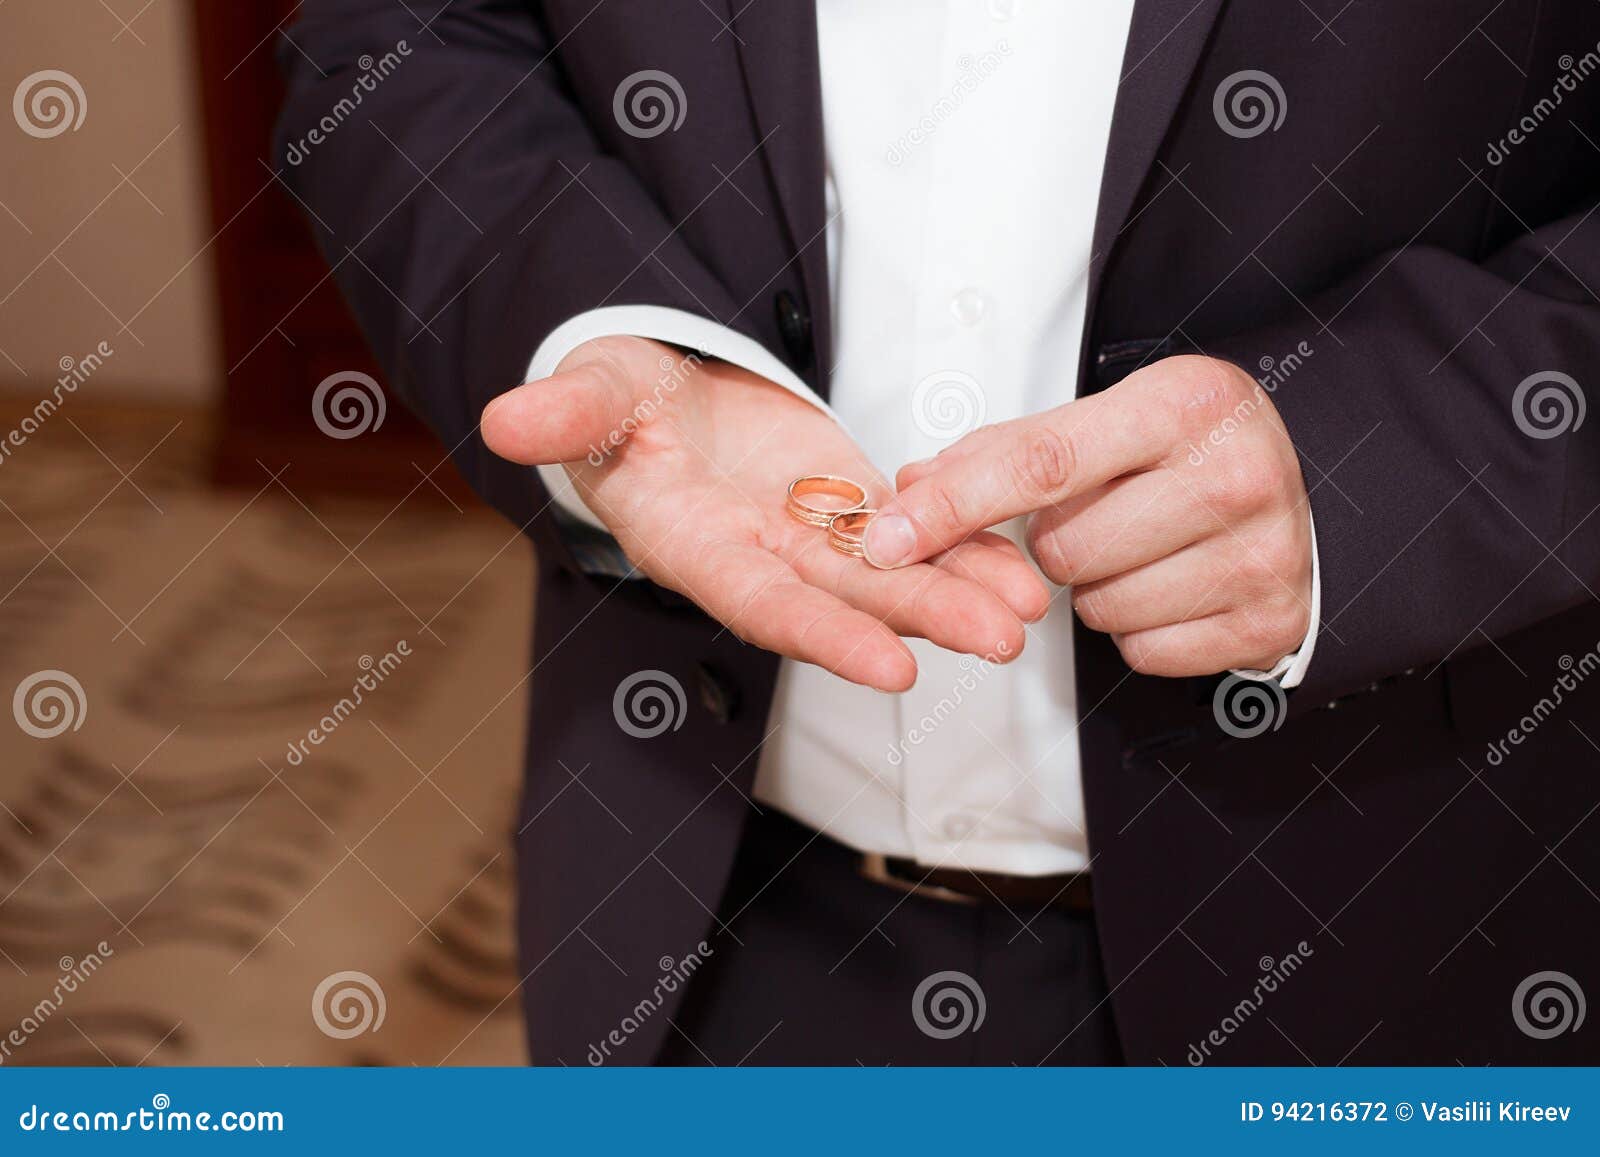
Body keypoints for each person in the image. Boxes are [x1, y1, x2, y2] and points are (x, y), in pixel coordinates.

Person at [279, 1, 1600, 1064]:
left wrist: (1384, 466)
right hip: (698, 915)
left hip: (1385, 929)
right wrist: (601, 328)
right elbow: (399, 39)